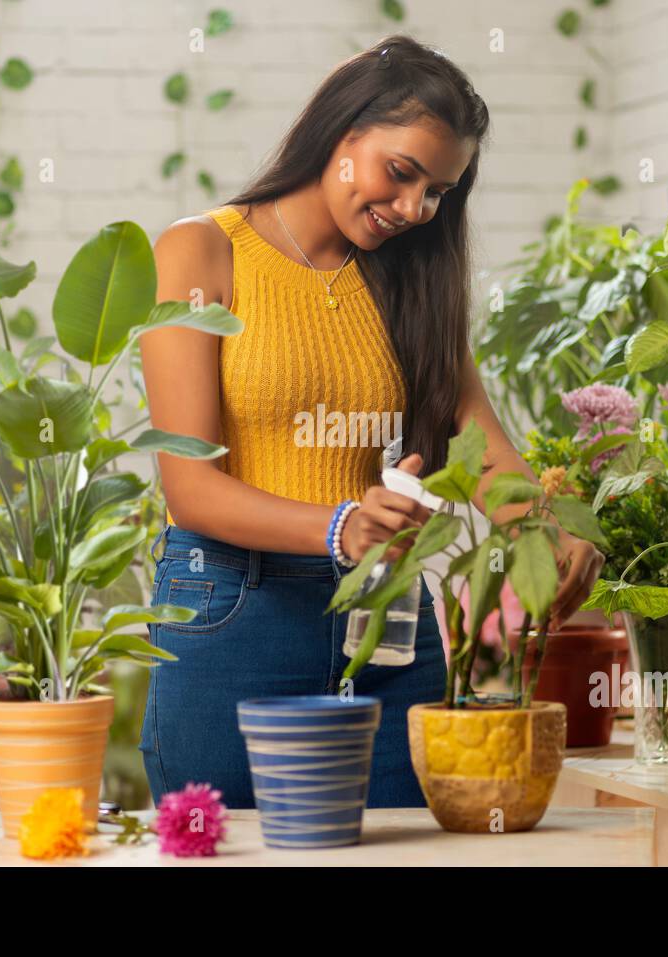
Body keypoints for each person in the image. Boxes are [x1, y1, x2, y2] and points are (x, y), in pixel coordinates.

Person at [139, 34, 604, 809]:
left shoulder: (412, 283)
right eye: (402, 173)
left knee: (410, 851)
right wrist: (339, 524)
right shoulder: (203, 253)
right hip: (229, 613)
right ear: (344, 131)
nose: (414, 208)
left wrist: (551, 525)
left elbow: (480, 448)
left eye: (438, 192)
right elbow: (191, 489)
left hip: (386, 619)